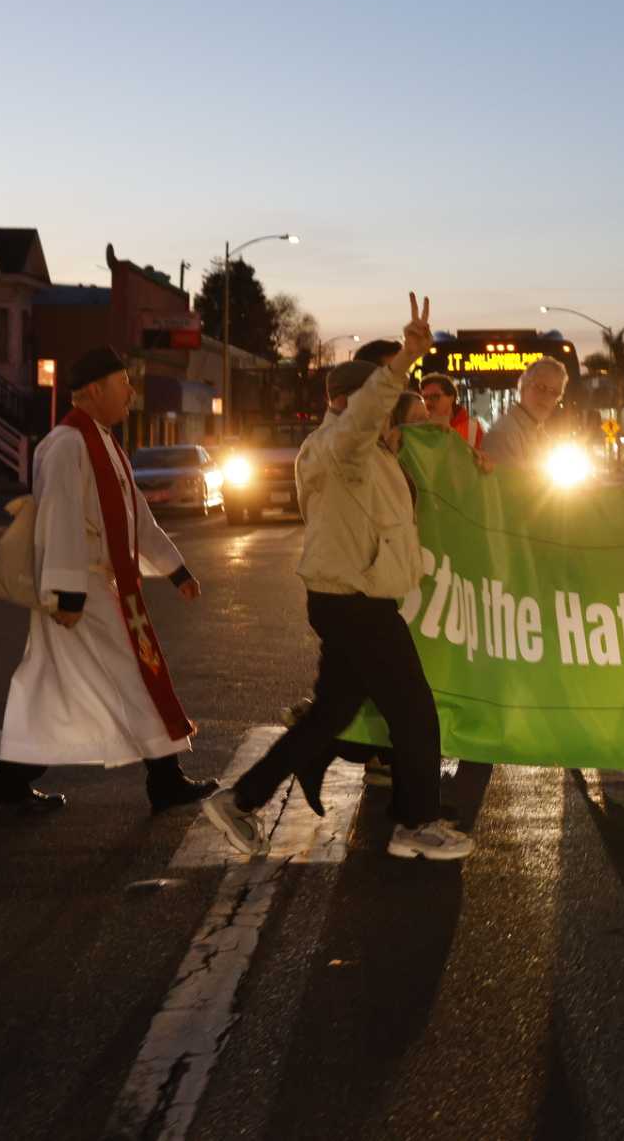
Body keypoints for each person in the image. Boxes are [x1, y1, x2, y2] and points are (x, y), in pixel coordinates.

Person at [204, 293, 475, 861]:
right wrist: (404, 358)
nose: (397, 408)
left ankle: (242, 801)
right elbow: (364, 419)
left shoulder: (365, 452)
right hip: (356, 603)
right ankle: (416, 822)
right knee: (414, 711)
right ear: (354, 401)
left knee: (330, 716)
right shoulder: (340, 446)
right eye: (385, 399)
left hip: (349, 598)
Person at [0, 347, 219, 816]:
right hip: (81, 589)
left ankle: (10, 784)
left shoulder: (103, 442)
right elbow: (60, 517)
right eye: (123, 383)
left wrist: (174, 568)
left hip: (92, 586)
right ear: (93, 391)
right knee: (132, 674)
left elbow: (136, 514)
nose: (132, 392)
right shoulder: (68, 444)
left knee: (52, 686)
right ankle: (165, 780)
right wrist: (68, 590)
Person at [481, 357, 567, 471]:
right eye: (541, 387)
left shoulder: (541, 435)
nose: (547, 397)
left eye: (555, 392)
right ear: (523, 388)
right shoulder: (503, 435)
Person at [418, 372, 485, 448]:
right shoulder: (419, 429)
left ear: (451, 398)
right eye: (425, 397)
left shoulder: (472, 428)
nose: (428, 402)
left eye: (435, 396)